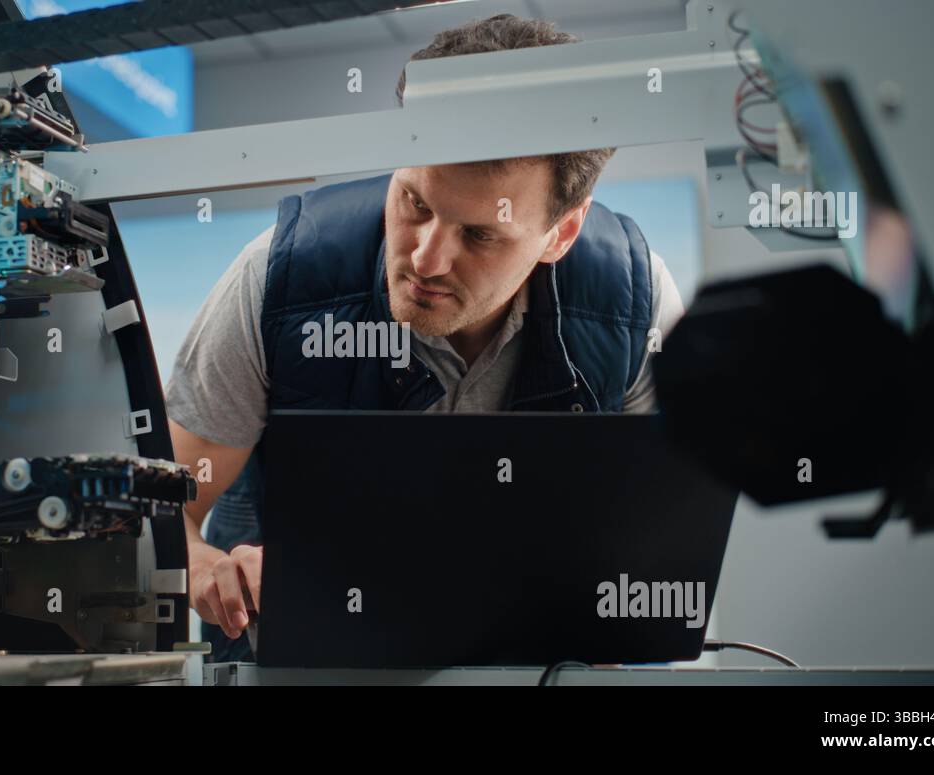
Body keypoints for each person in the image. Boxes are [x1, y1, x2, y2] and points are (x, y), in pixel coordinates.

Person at [164, 13, 685, 662]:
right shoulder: (282, 279)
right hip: (307, 667)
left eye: (479, 234)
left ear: (561, 233)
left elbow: (649, 558)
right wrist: (210, 568)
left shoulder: (633, 306)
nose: (426, 259)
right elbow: (160, 515)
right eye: (415, 202)